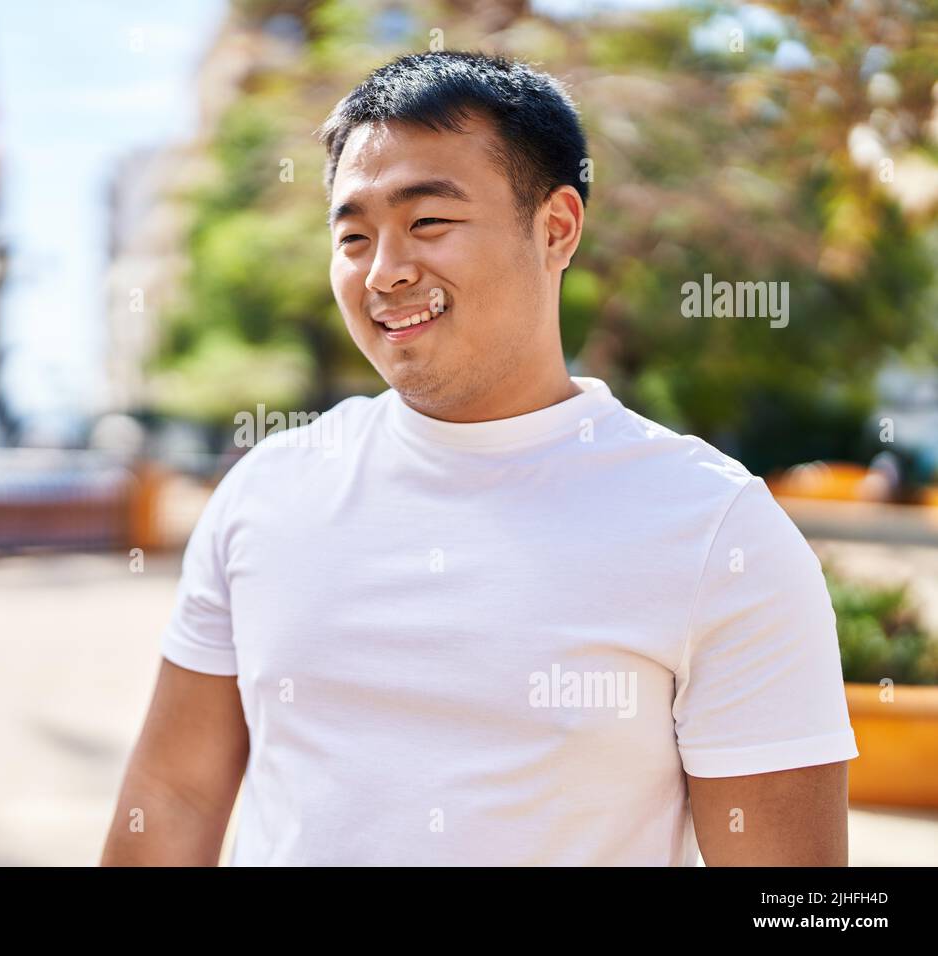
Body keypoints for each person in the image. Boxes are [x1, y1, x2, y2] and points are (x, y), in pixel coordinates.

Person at [101, 51, 858, 866]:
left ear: (556, 229)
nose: (384, 272)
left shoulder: (717, 531)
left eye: (427, 222)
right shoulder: (267, 490)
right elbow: (174, 796)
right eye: (354, 235)